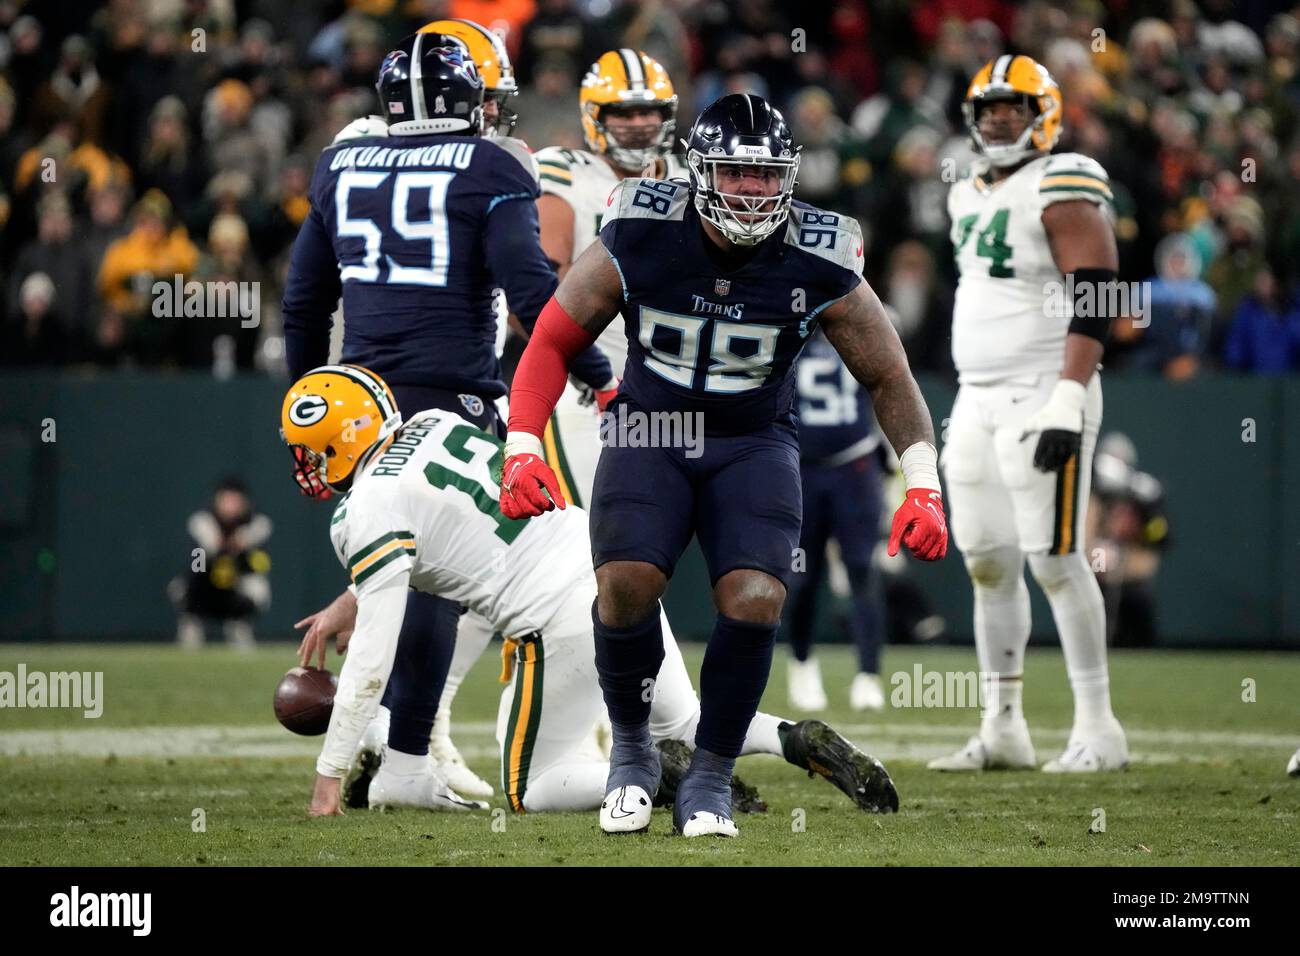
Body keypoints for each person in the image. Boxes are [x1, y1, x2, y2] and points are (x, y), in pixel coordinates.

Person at [498, 93, 946, 837]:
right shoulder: (642, 230)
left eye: (767, 175)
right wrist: (521, 443)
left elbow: (890, 375)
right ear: (700, 172)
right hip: (650, 430)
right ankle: (635, 752)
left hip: (752, 440)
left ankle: (709, 775)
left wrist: (923, 486)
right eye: (736, 173)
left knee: (757, 597)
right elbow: (549, 338)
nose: (753, 190)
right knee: (625, 584)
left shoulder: (819, 251)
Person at [283, 365, 897, 819]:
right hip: (609, 569)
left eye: (309, 450)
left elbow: (369, 661)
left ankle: (652, 780)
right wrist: (354, 595)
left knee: (531, 788)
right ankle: (795, 737)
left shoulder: (362, 510)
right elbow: (446, 527)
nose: (305, 464)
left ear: (339, 441)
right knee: (683, 722)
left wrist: (328, 778)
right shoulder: (432, 422)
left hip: (554, 618)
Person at [280, 32, 615, 809]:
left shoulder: (340, 163)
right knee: (438, 583)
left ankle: (395, 751)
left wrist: (310, 400)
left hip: (360, 406)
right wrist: (599, 374)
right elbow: (533, 293)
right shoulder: (491, 163)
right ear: (467, 102)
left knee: (410, 574)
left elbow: (303, 301)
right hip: (450, 399)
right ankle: (397, 759)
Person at [929, 55, 1128, 774]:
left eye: (1013, 108)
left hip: (1045, 389)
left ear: (1043, 113)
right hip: (977, 397)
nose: (998, 120)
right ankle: (1004, 726)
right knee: (987, 563)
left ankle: (1099, 727)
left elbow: (1100, 290)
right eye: (988, 110)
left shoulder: (1063, 175)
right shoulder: (967, 191)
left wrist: (1070, 396)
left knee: (1055, 560)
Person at [783, 327, 888, 713]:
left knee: (862, 568)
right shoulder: (790, 321)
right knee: (801, 578)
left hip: (854, 465)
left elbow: (889, 384)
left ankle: (868, 675)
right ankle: (802, 666)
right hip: (800, 467)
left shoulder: (866, 320)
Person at [168, 477, 271, 650]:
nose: (230, 506)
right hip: (205, 588)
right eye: (226, 500)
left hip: (237, 589)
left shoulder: (257, 524)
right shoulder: (202, 522)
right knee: (180, 587)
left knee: (258, 589)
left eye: (235, 500)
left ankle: (239, 627)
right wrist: (215, 548)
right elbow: (196, 564)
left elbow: (259, 563)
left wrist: (240, 546)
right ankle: (191, 629)